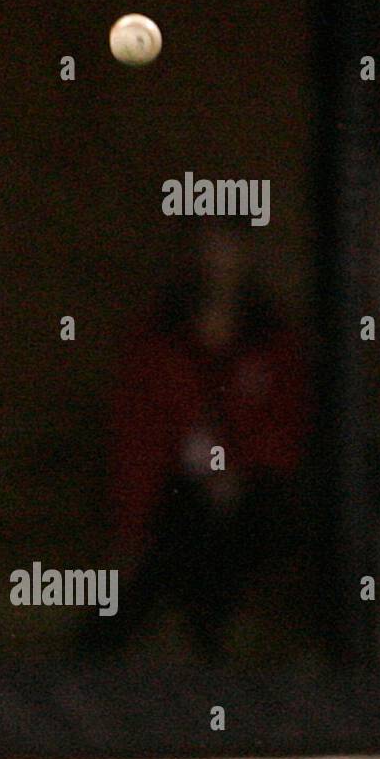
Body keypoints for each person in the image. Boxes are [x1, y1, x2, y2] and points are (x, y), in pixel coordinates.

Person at [87, 218, 311, 664]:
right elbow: (139, 437)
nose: (219, 264)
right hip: (177, 502)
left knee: (247, 530)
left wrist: (238, 472)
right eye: (210, 250)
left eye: (229, 250)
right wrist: (130, 528)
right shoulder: (158, 342)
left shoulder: (271, 341)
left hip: (255, 497)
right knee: (177, 537)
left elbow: (286, 426)